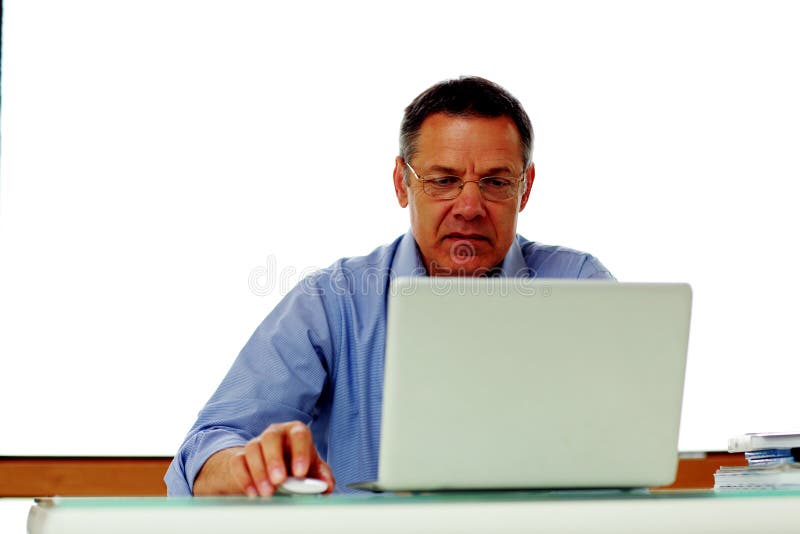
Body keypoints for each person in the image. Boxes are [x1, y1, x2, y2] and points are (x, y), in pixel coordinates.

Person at [164, 76, 614, 497]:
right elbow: (204, 450)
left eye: (496, 182)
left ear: (526, 188)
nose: (470, 206)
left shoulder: (579, 286)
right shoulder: (331, 302)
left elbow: (625, 451)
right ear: (403, 183)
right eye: (444, 181)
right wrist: (248, 466)